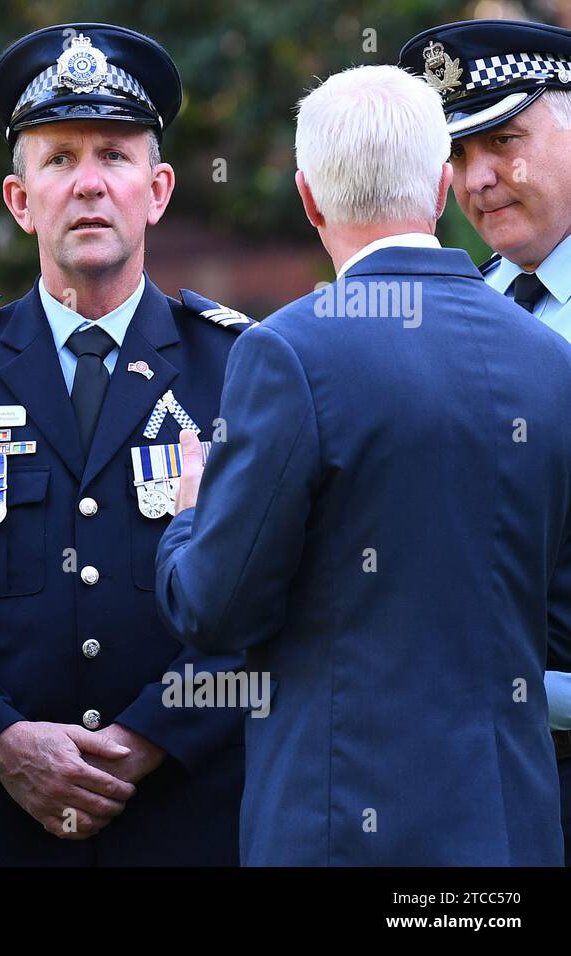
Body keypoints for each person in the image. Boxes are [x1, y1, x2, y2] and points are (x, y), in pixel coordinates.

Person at [154, 64, 571, 865]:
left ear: (308, 197)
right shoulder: (548, 358)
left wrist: (187, 513)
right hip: (514, 826)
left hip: (343, 828)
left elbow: (214, 609)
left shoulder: (289, 353)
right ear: (444, 187)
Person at [0, 23, 251, 866]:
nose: (87, 185)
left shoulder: (240, 370)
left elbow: (270, 598)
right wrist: (2, 740)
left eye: (113, 156)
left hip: (191, 820)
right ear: (19, 198)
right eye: (59, 159)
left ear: (158, 189)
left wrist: (151, 734)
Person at [398, 18, 571, 863]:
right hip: (474, 779)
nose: (479, 179)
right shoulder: (459, 309)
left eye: (503, 140)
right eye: (458, 156)